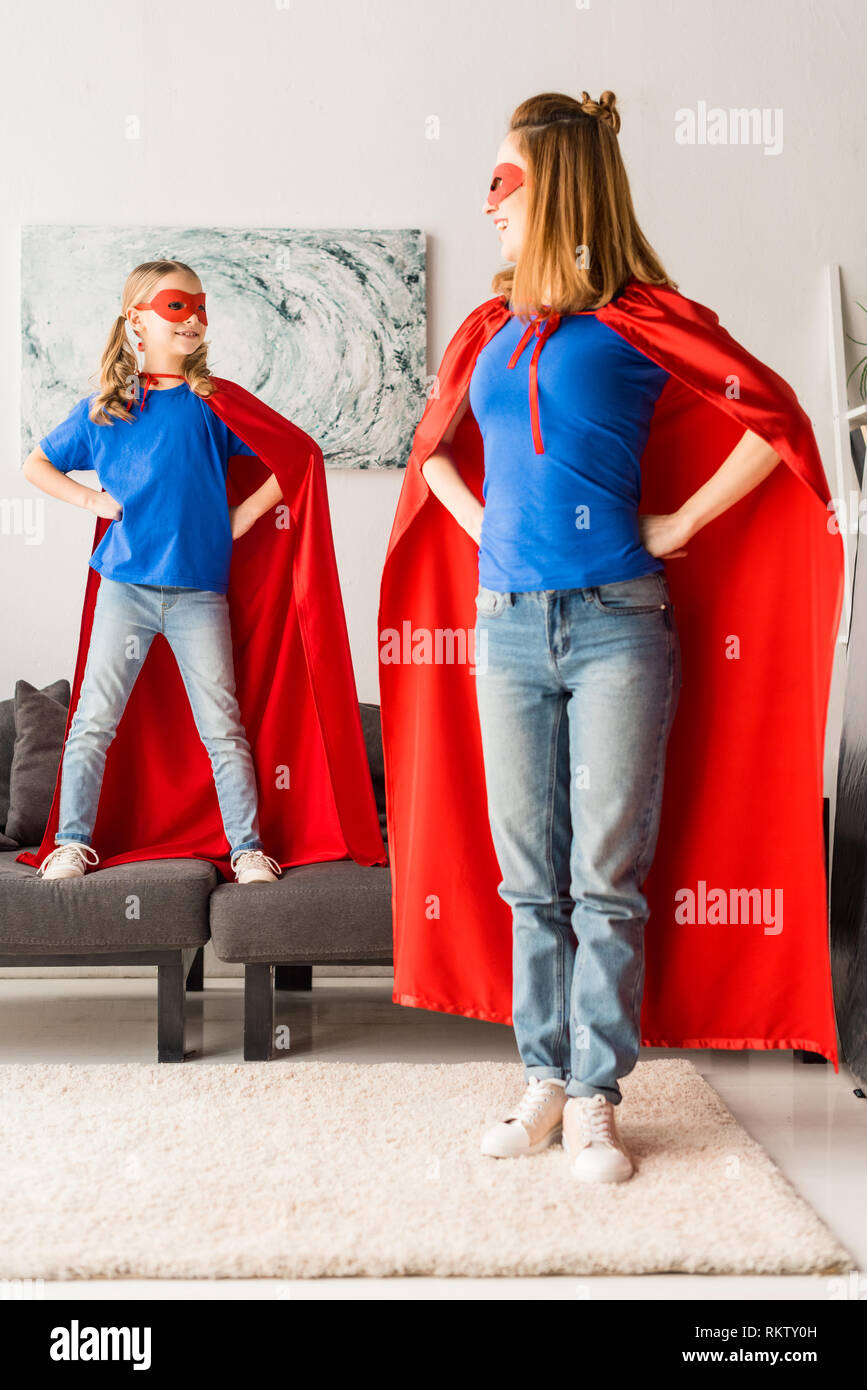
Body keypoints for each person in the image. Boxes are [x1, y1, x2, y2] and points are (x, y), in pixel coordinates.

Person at [379, 92, 824, 1186]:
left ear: (561, 186)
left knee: (607, 875)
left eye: (504, 181)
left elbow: (778, 419)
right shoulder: (490, 329)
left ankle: (594, 1096)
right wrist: (483, 528)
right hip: (507, 632)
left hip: (622, 625)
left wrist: (676, 523)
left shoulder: (643, 317)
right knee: (531, 879)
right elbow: (429, 449)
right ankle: (541, 1075)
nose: (486, 203)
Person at [22, 260, 283, 885]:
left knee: (223, 728)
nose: (192, 317)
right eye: (175, 306)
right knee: (93, 721)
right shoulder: (108, 408)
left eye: (199, 306)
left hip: (198, 595)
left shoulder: (211, 404)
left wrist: (241, 517)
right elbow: (37, 464)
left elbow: (292, 456)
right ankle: (72, 842)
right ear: (137, 318)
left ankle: (247, 848)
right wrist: (91, 501)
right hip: (125, 590)